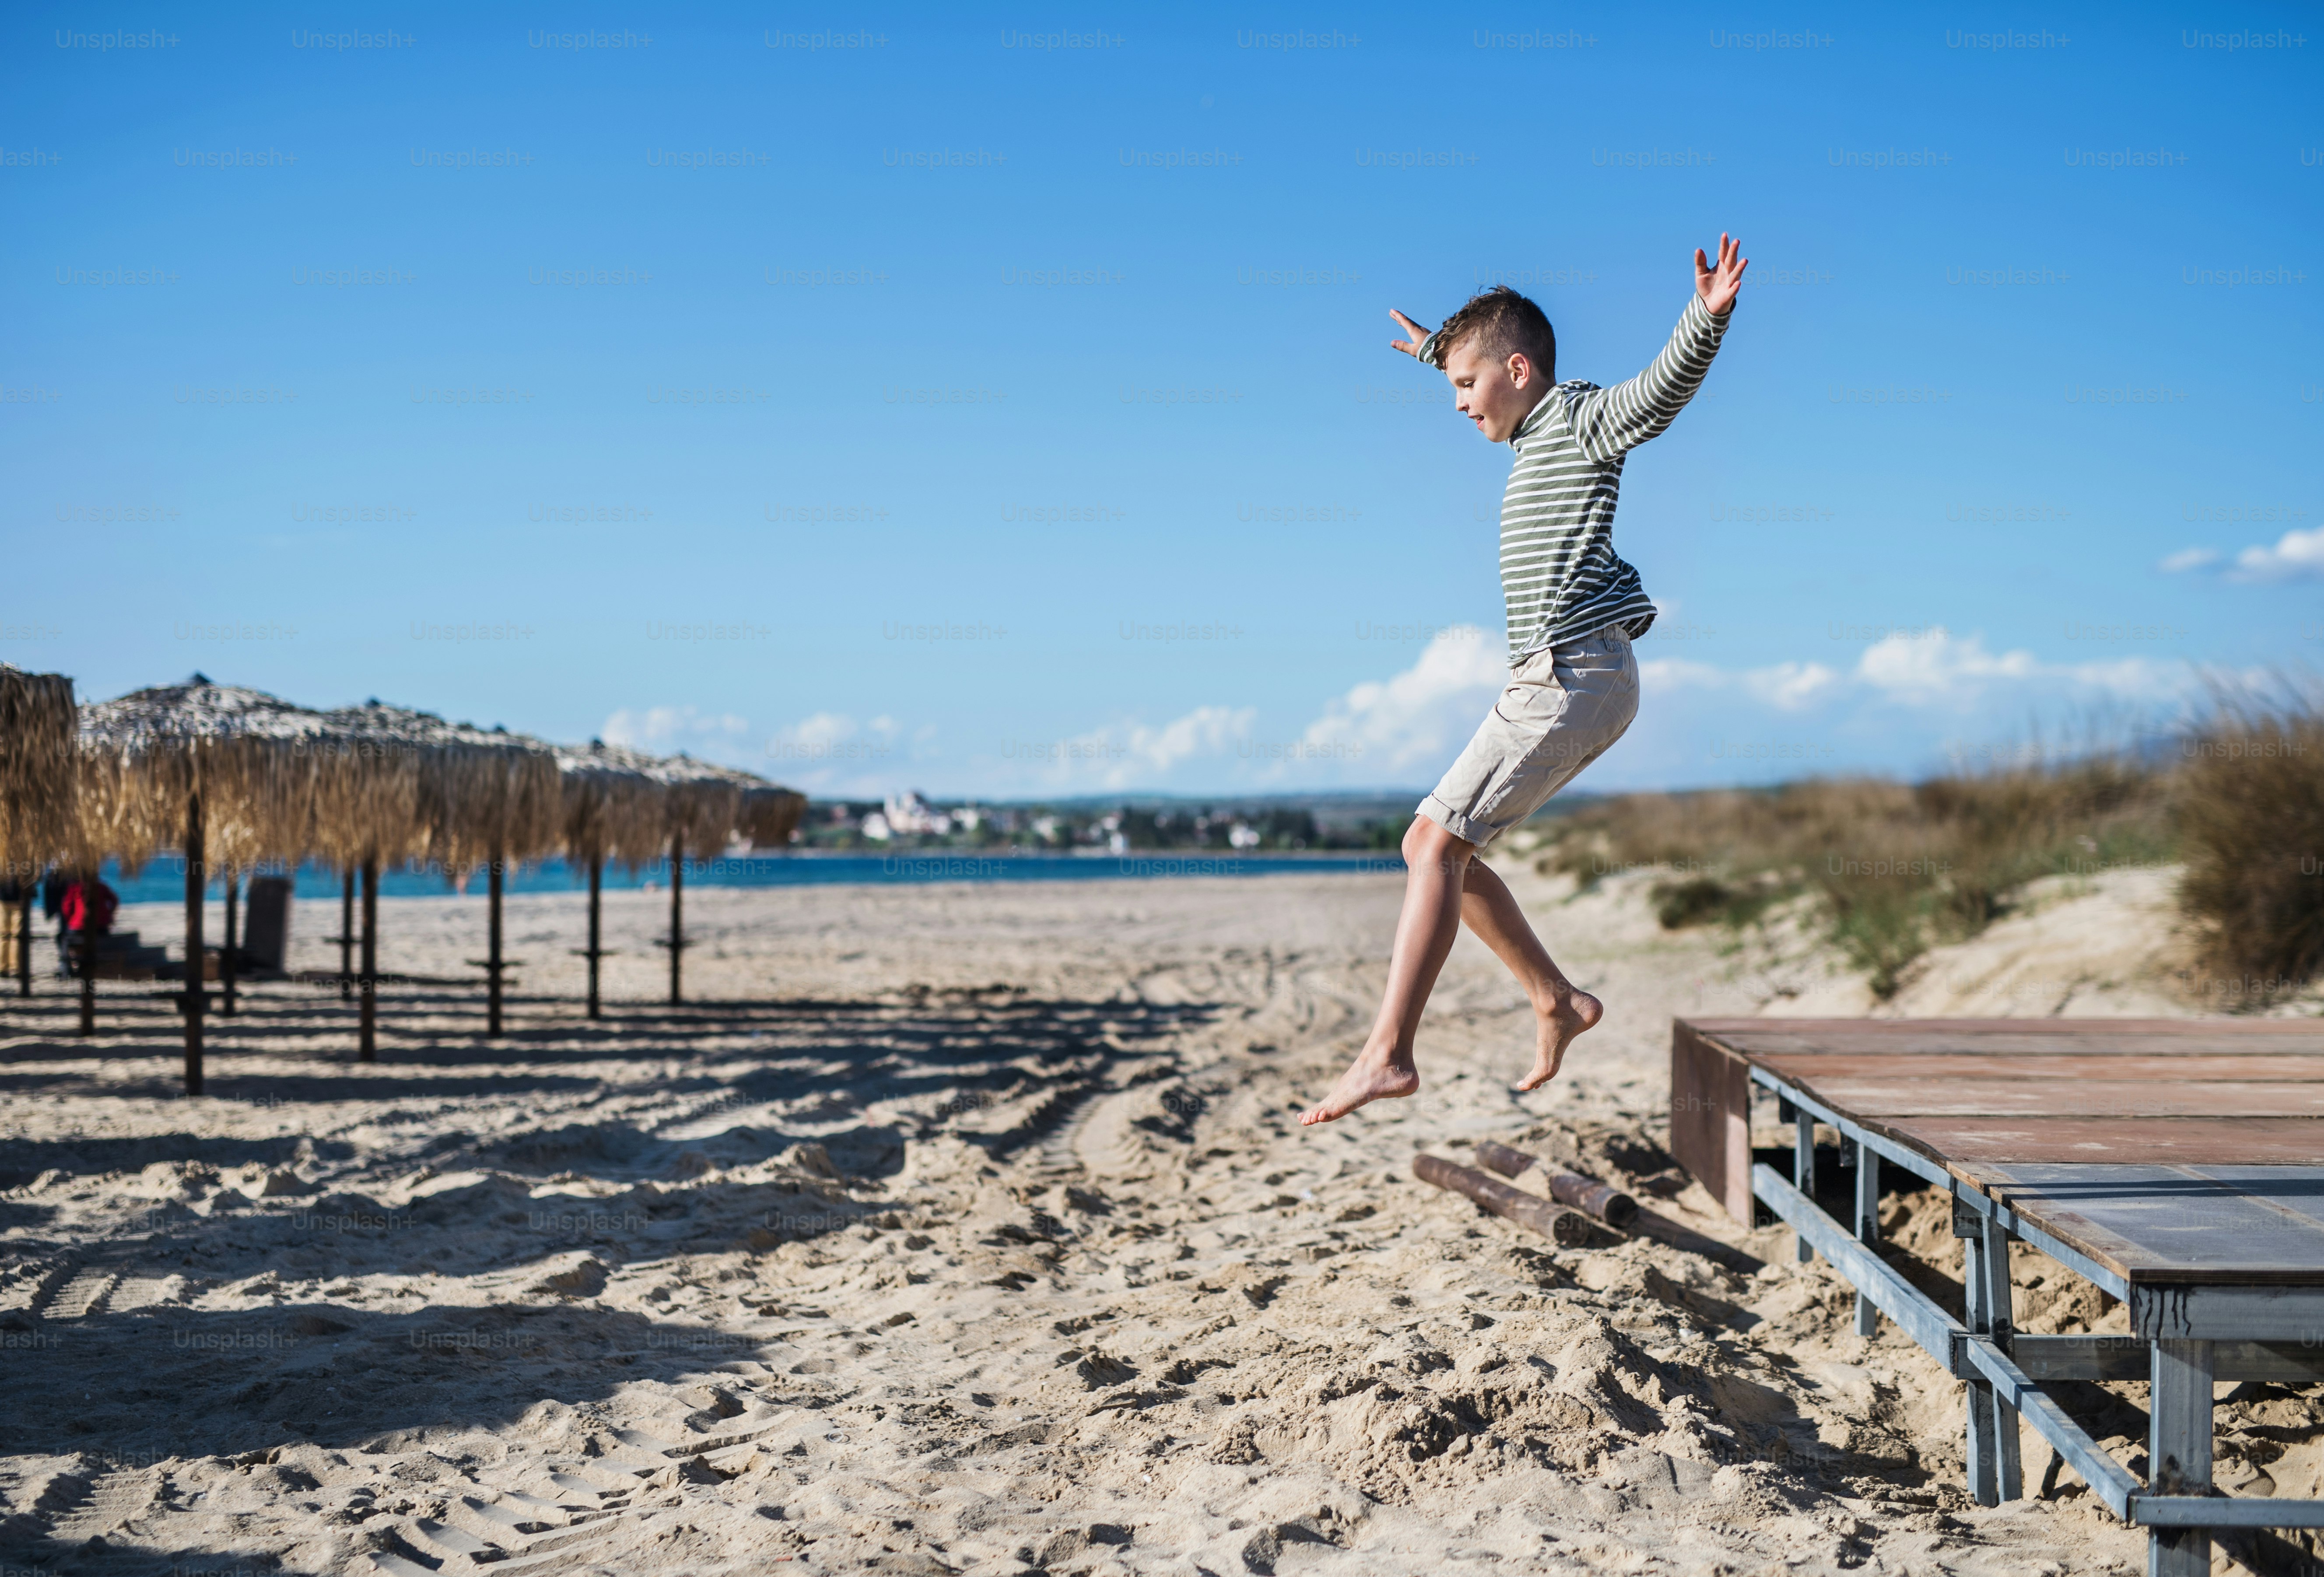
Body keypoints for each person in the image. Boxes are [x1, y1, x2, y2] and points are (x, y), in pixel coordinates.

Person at [1301, 235, 1747, 1125]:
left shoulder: (1578, 416)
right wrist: (1440, 350)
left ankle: (1387, 1054)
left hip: (1573, 670)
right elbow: (1488, 365)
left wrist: (1703, 320)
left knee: (1431, 846)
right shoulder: (1531, 433)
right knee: (1437, 851)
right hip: (1565, 676)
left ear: (1516, 369)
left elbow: (1653, 398)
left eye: (1466, 388)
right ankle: (1554, 997)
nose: (1458, 406)